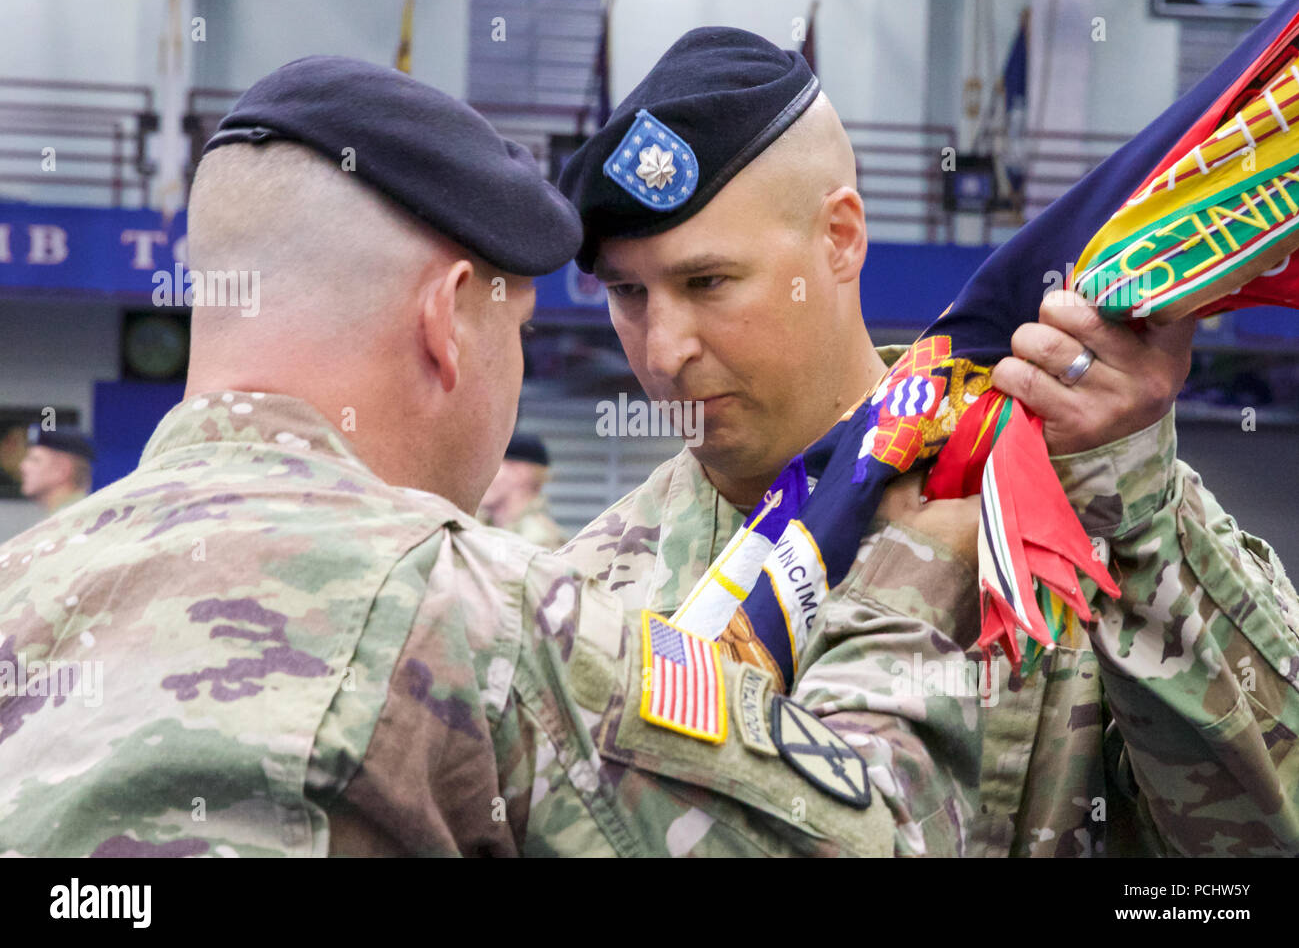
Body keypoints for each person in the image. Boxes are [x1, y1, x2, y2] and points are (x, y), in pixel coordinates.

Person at [0, 55, 980, 858]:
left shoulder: (18, 586)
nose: (665, 349)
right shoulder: (488, 616)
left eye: (706, 282)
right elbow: (868, 837)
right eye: (515, 324)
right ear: (446, 319)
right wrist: (907, 579)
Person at [556, 27, 1299, 856]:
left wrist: (1135, 510)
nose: (662, 351)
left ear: (839, 238)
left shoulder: (1067, 507)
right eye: (627, 293)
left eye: (708, 282)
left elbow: (1267, 828)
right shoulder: (586, 593)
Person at [477, 432, 567, 550]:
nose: (478, 477)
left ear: (520, 473)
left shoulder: (540, 540)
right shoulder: (481, 527)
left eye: (490, 466)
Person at [18, 425, 95, 514]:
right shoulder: (73, 514)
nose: (23, 466)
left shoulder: (72, 519)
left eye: (35, 460)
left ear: (62, 470)